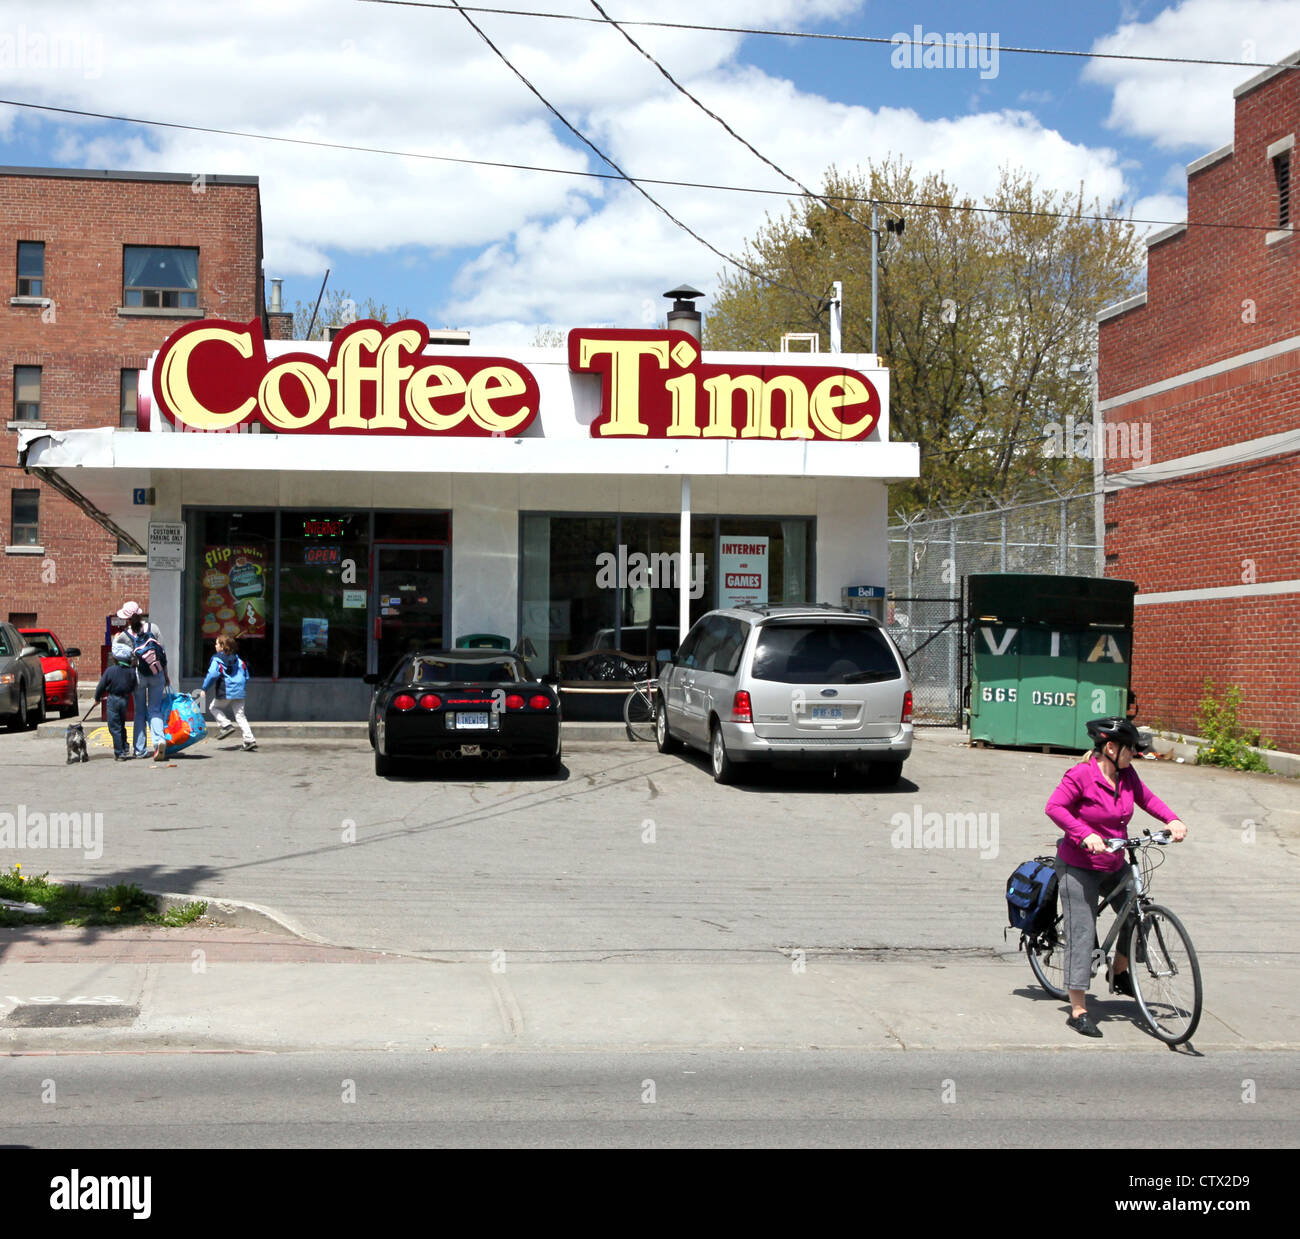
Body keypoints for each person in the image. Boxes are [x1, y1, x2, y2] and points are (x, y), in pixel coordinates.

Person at [1045, 716, 1187, 1038]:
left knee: (1137, 913)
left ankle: (1121, 970)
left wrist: (1173, 819)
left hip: (1113, 861)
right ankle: (1078, 1009)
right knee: (1082, 932)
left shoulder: (1126, 776)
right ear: (1111, 747)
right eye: (1130, 749)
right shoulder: (1081, 775)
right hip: (1079, 864)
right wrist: (1083, 834)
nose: (1134, 754)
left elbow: (1147, 799)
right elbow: (1055, 808)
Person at [118, 601, 169, 761]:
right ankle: (159, 741)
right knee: (155, 709)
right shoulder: (153, 628)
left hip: (138, 676)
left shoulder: (124, 636)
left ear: (126, 619)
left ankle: (140, 750)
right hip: (157, 673)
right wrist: (165, 675)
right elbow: (163, 653)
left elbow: (120, 658)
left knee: (139, 711)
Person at [202, 634, 257, 751]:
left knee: (213, 707)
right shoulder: (238, 659)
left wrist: (204, 688)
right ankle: (249, 740)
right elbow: (246, 675)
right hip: (239, 691)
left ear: (222, 646)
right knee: (240, 716)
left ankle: (226, 725)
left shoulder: (217, 659)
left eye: (217, 643)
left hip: (226, 690)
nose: (215, 646)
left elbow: (212, 674)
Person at [94, 646, 138, 760]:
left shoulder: (110, 671)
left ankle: (120, 752)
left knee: (114, 726)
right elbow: (134, 685)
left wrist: (97, 698)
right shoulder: (131, 672)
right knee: (121, 723)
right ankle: (124, 745)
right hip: (125, 700)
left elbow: (101, 686)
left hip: (113, 699)